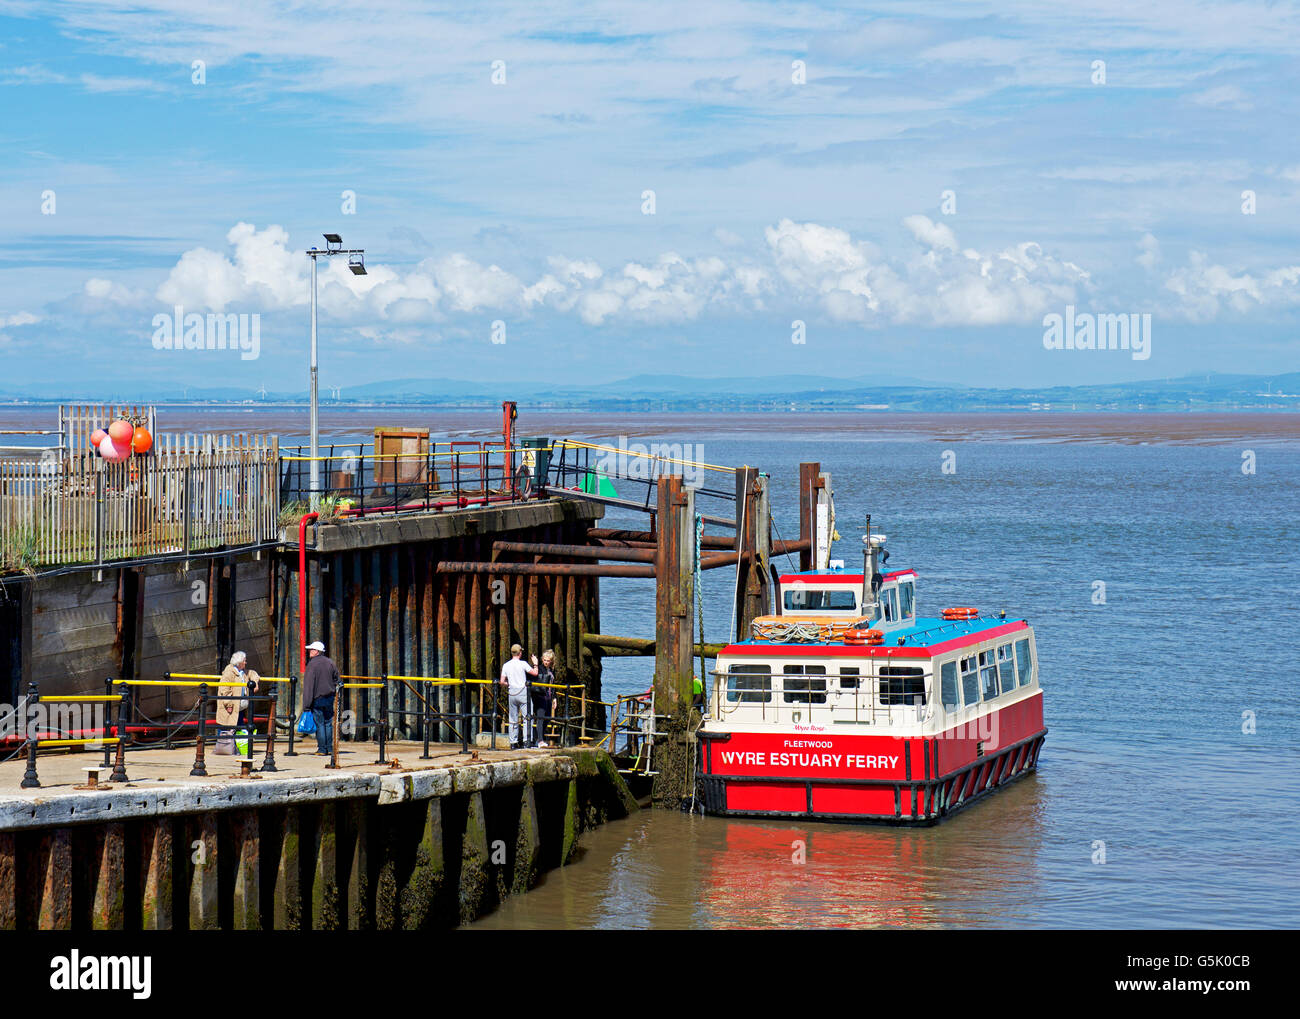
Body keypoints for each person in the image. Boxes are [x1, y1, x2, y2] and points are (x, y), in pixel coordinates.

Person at [215, 651, 260, 755]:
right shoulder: (229, 673)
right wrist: (229, 704)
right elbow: (224, 689)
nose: (246, 663)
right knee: (226, 726)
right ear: (239, 662)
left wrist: (255, 682)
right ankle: (224, 748)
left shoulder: (242, 672)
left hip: (238, 707)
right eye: (244, 661)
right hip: (231, 706)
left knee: (238, 727)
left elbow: (253, 674)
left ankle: (233, 748)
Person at [302, 640, 340, 756]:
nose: (309, 651)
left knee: (320, 723)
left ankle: (322, 749)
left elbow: (309, 686)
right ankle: (329, 748)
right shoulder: (330, 662)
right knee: (328, 723)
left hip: (317, 698)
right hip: (329, 698)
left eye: (312, 650)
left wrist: (306, 706)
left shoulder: (312, 665)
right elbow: (337, 680)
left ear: (317, 651)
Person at [499, 643, 537, 750]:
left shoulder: (506, 665)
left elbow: (502, 682)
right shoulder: (523, 664)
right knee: (527, 717)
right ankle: (526, 741)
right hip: (523, 692)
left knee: (513, 718)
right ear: (520, 653)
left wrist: (509, 684)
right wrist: (536, 664)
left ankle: (513, 742)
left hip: (512, 693)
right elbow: (535, 673)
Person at [531, 649, 556, 748]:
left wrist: (554, 698)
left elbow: (553, 685)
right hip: (540, 696)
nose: (546, 662)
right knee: (540, 717)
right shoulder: (540, 668)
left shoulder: (552, 670)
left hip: (549, 696)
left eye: (548, 660)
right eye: (544, 660)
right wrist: (535, 664)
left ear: (551, 661)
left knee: (548, 717)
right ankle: (540, 740)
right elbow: (535, 677)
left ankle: (538, 738)